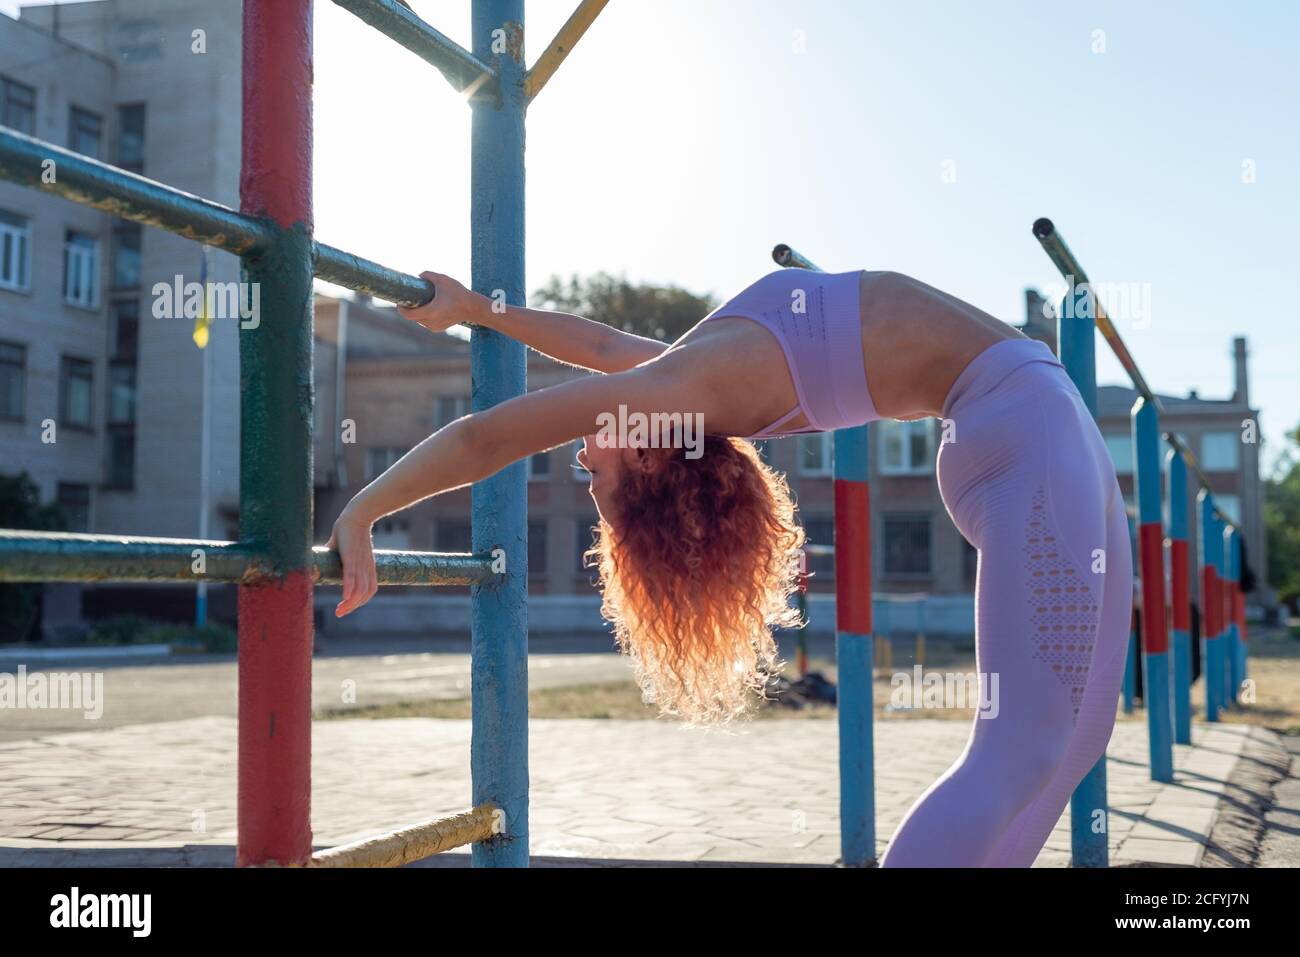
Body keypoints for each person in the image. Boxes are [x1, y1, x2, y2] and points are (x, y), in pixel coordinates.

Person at [328, 266, 1132, 866]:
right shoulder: (682, 390)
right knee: (1019, 750)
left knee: (1078, 737)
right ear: (647, 463)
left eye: (587, 477)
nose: (581, 456)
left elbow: (602, 345)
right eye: (593, 475)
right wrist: (365, 509)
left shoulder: (690, 379)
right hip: (1020, 423)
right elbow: (484, 439)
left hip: (1035, 412)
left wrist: (479, 310)